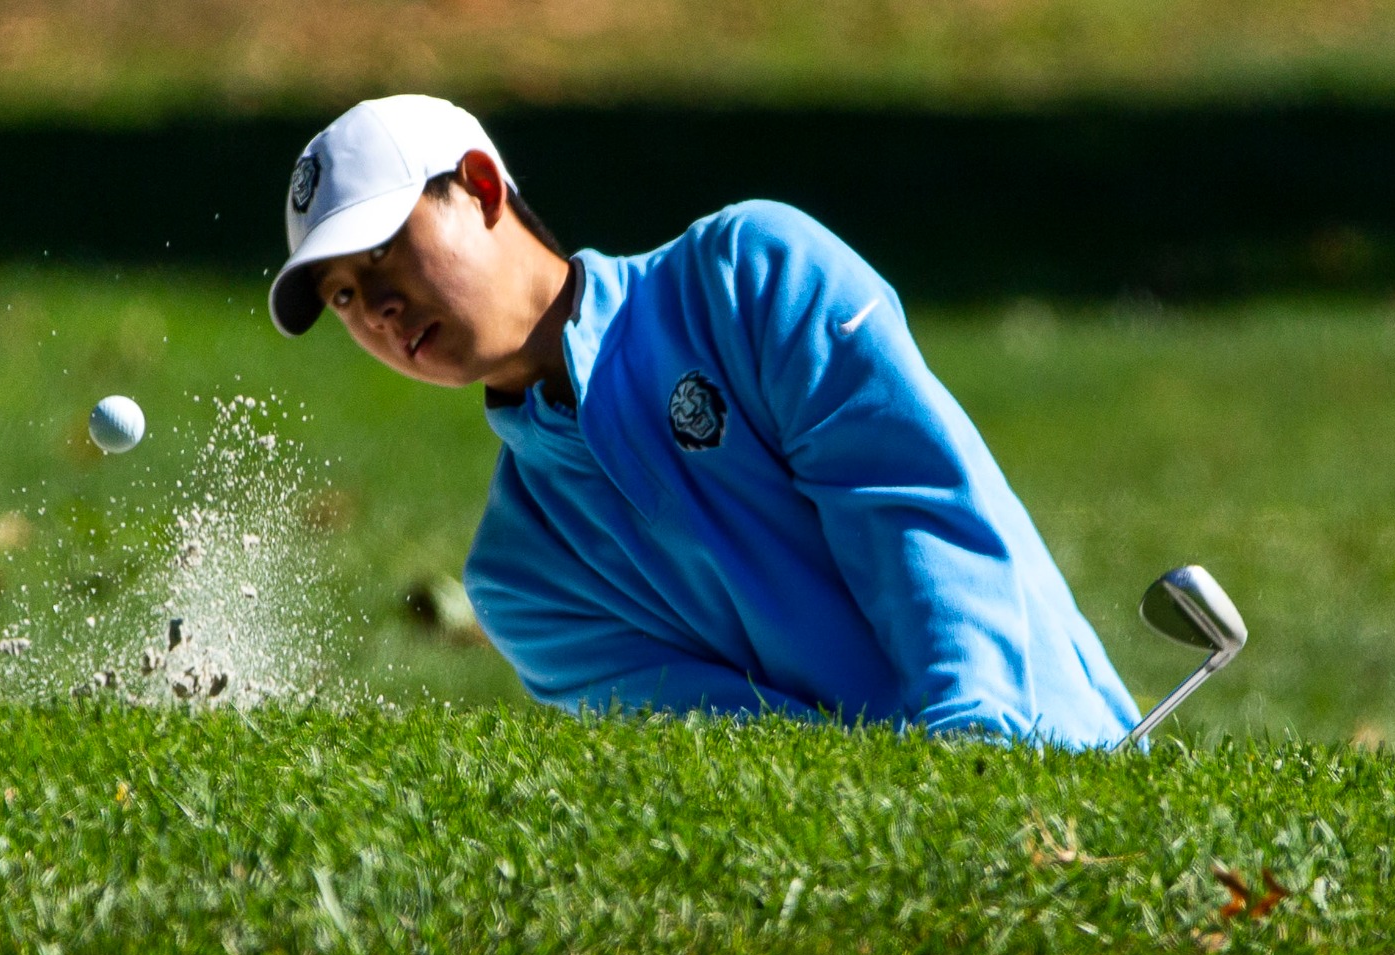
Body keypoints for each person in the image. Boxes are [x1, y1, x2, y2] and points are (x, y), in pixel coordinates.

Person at [267, 94, 1139, 747]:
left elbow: (914, 509)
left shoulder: (751, 275)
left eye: (384, 251)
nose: (375, 306)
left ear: (484, 187)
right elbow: (750, 757)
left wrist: (974, 750)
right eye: (343, 295)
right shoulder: (523, 584)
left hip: (1063, 767)